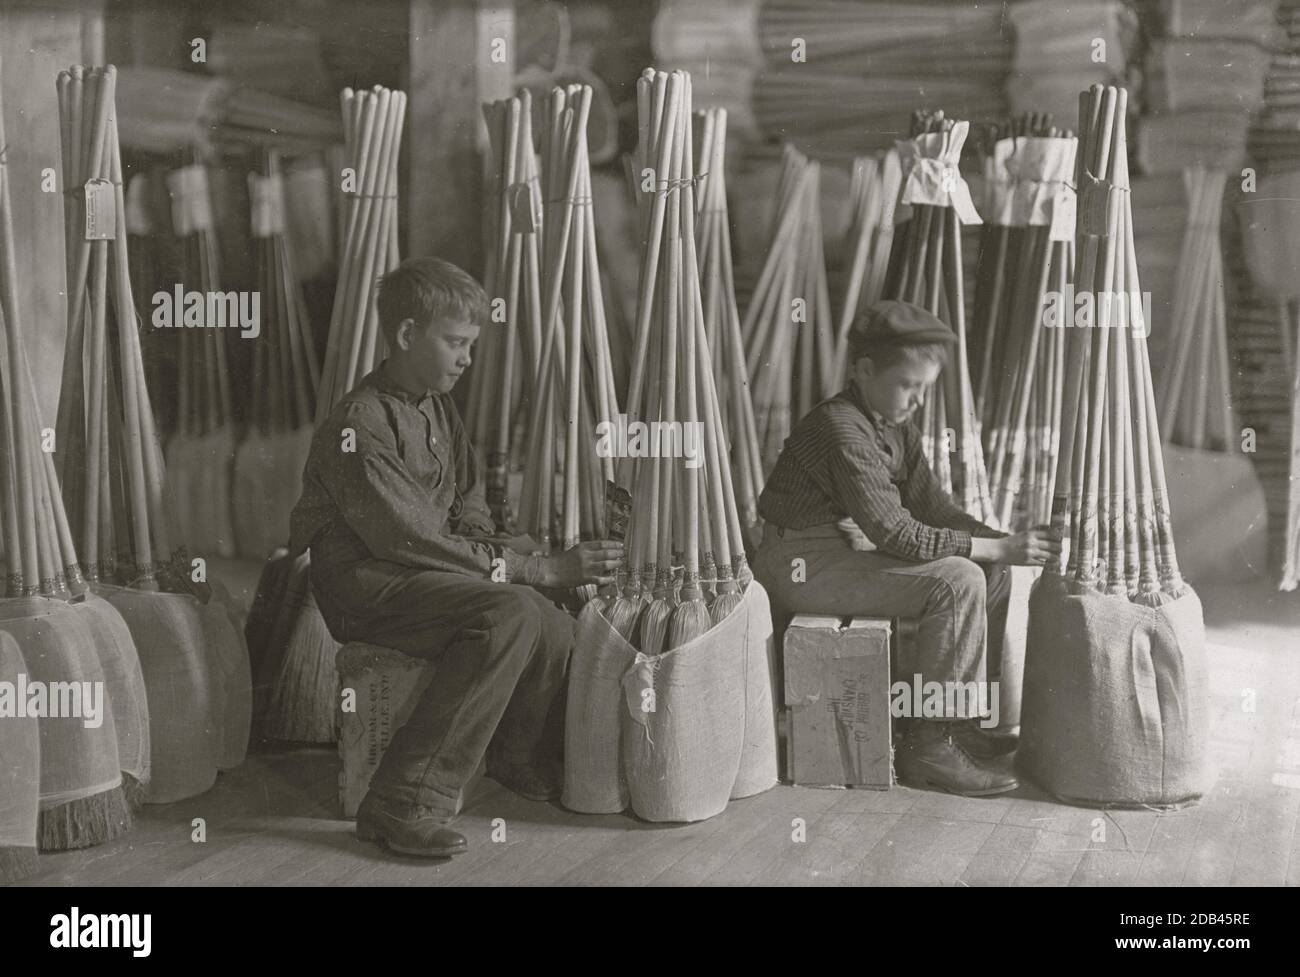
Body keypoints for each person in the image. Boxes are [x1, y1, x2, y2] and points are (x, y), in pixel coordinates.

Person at [289, 257, 623, 857]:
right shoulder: (359, 424)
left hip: (419, 574)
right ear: (407, 335)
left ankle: (514, 755)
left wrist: (504, 549)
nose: (467, 358)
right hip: (367, 585)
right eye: (455, 342)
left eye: (471, 344)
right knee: (512, 611)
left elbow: (467, 502)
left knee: (547, 615)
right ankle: (401, 803)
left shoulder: (435, 405)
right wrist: (537, 568)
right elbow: (409, 538)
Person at [752, 300, 1060, 797]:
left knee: (993, 573)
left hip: (834, 553)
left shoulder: (892, 428)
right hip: (799, 565)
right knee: (958, 580)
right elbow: (895, 533)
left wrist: (1003, 544)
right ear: (865, 370)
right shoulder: (842, 428)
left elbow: (933, 509)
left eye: (923, 389)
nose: (917, 400)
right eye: (909, 386)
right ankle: (929, 746)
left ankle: (959, 726)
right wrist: (996, 549)